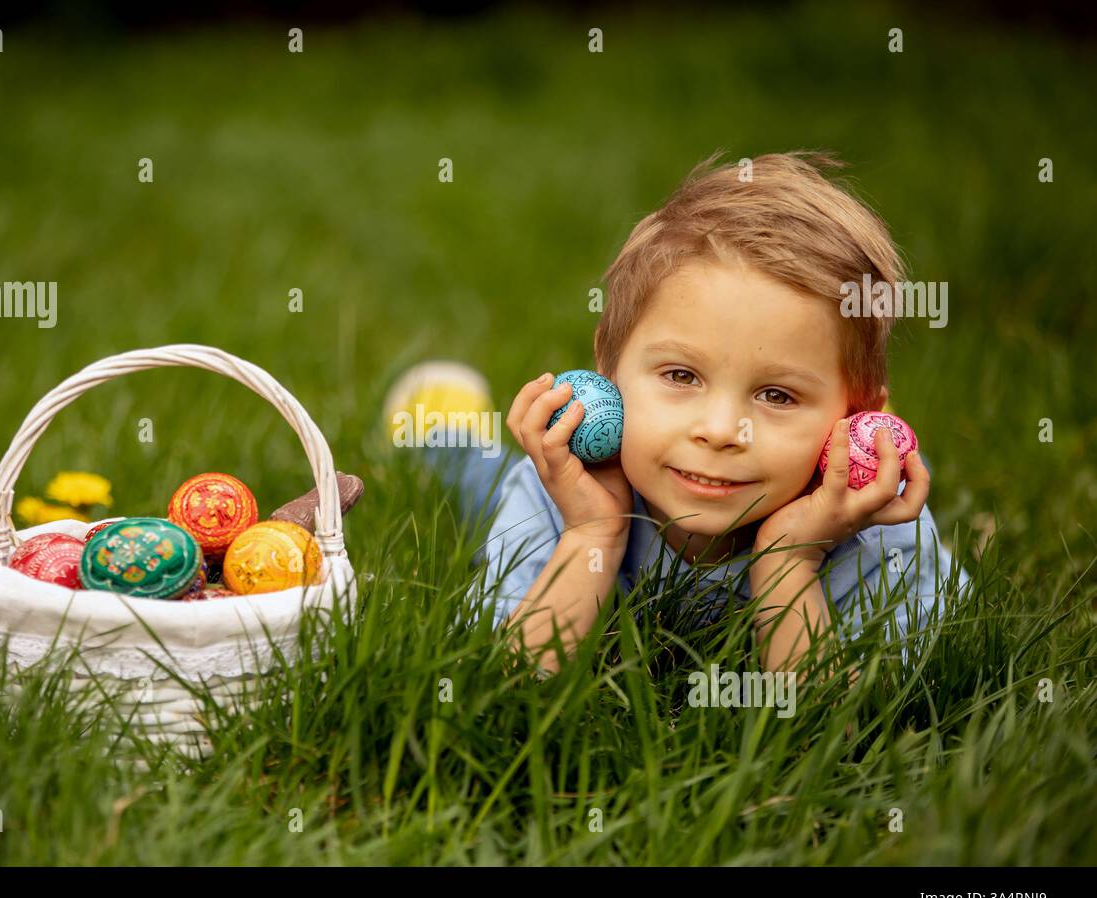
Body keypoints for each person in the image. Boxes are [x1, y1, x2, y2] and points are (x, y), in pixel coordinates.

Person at [384, 152, 970, 678]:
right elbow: (510, 685)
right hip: (589, 491)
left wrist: (789, 564)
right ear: (608, 372)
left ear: (859, 415)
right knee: (485, 480)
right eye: (681, 376)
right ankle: (447, 433)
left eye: (777, 396)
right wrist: (592, 531)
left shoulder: (878, 535)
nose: (718, 431)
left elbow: (838, 736)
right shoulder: (559, 495)